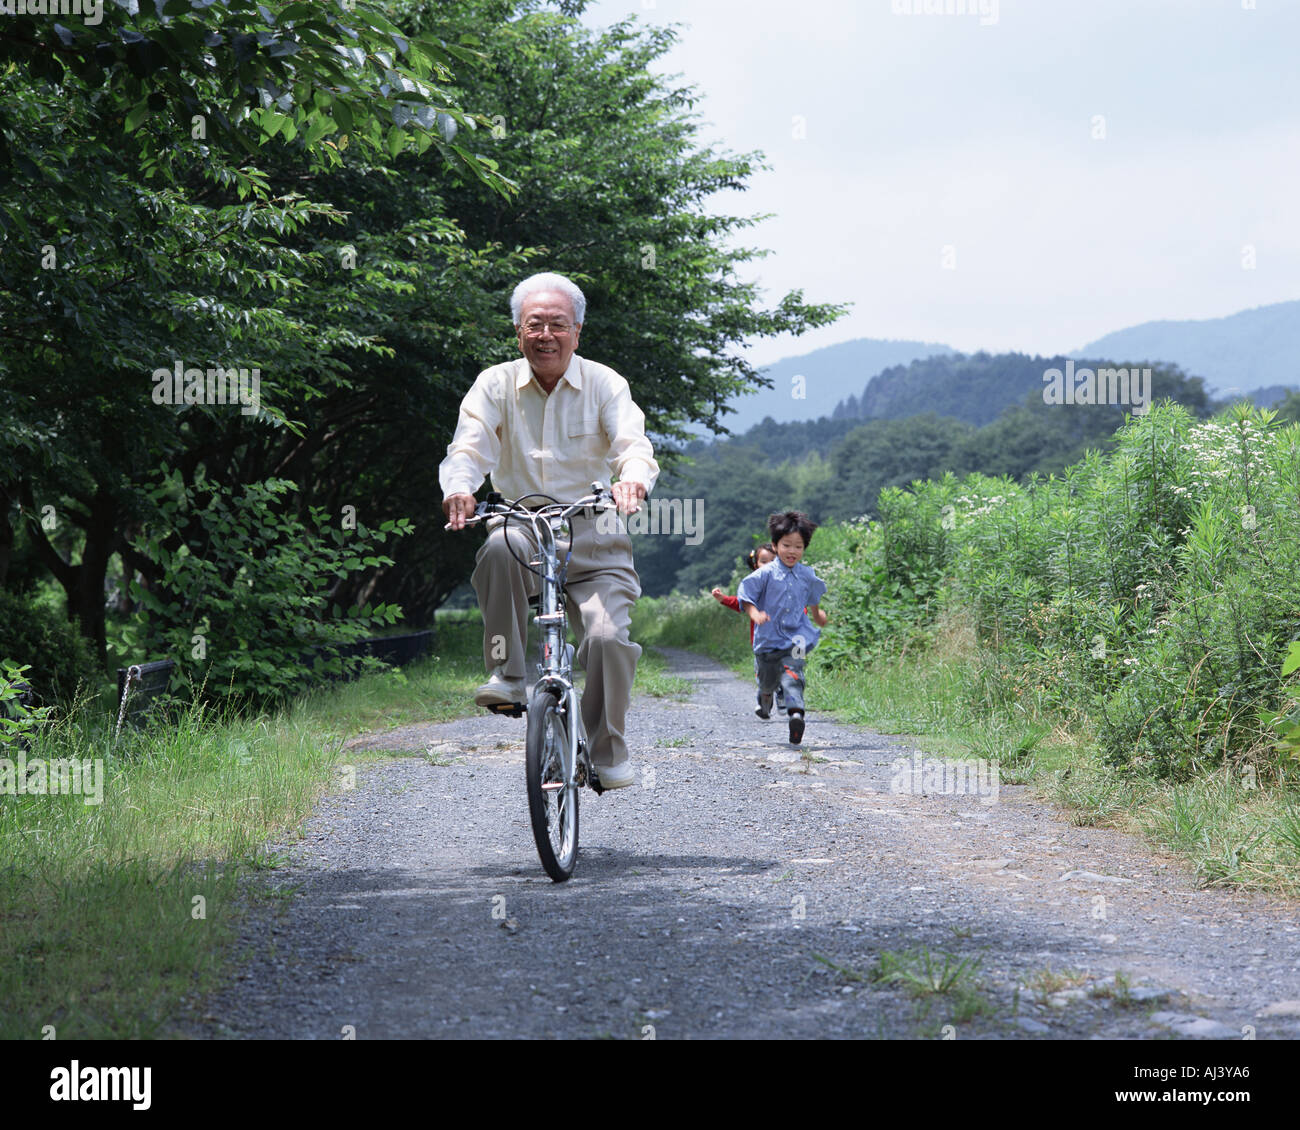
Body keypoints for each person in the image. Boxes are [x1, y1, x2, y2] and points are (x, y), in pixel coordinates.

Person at [439, 272, 659, 790]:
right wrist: (460, 487)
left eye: (557, 324)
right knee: (496, 546)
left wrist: (632, 482)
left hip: (595, 535)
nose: (546, 335)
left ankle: (605, 751)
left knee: (606, 638)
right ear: (518, 332)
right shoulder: (494, 384)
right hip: (522, 525)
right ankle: (508, 675)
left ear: (576, 331)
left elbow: (633, 444)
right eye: (534, 324)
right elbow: (468, 448)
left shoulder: (605, 383)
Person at [737, 511, 829, 745]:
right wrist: (755, 613)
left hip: (797, 637)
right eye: (786, 545)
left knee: (793, 673)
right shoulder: (765, 574)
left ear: (804, 548)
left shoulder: (807, 574)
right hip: (767, 640)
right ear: (776, 546)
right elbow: (746, 595)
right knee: (768, 680)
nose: (792, 551)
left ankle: (795, 713)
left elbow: (813, 597)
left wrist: (818, 615)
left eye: (798, 547)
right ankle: (765, 696)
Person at [710, 543, 787, 713]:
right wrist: (723, 599)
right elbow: (740, 604)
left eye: (774, 561)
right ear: (755, 565)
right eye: (764, 562)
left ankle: (782, 693)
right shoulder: (754, 588)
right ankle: (765, 700)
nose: (770, 566)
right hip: (761, 642)